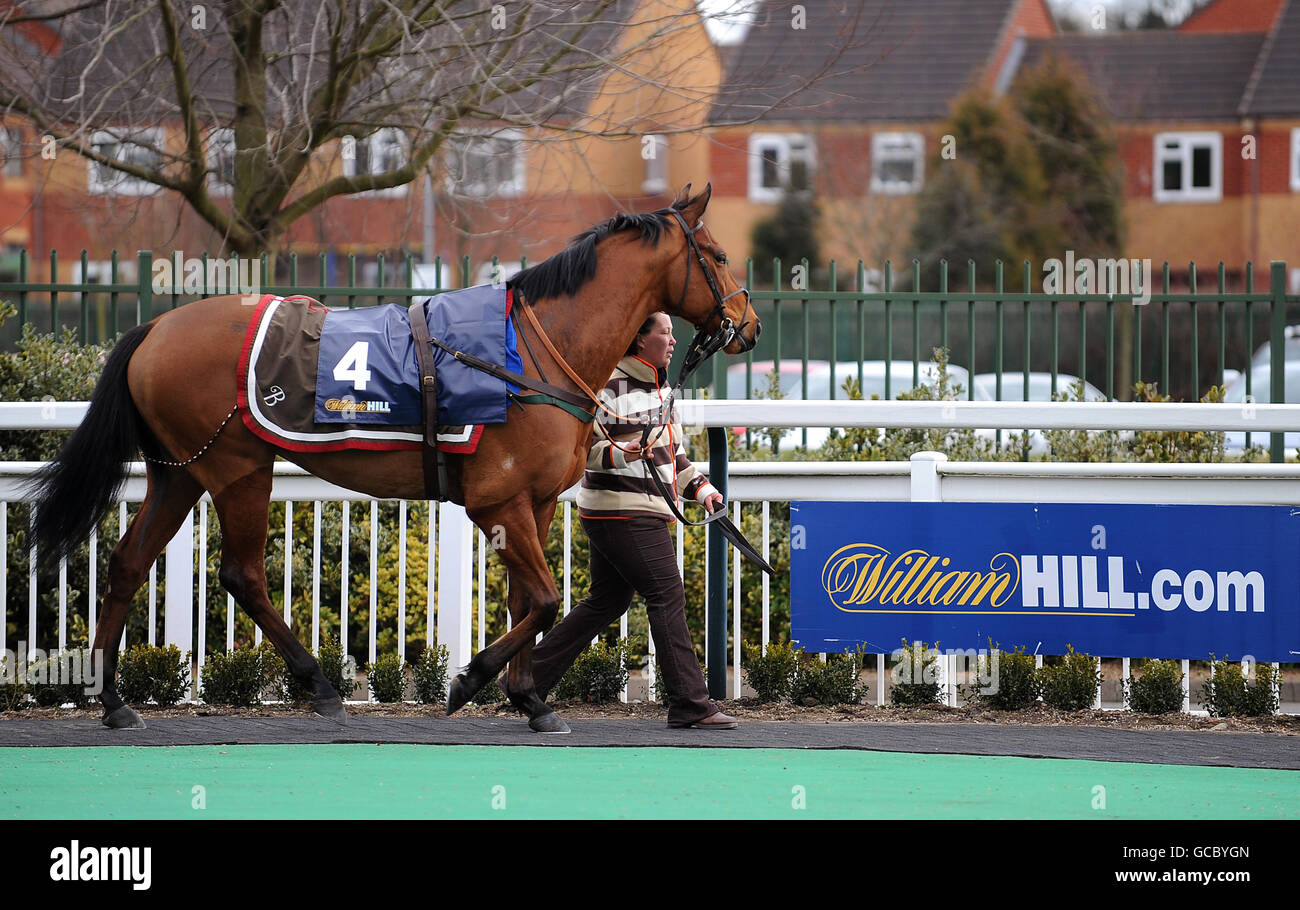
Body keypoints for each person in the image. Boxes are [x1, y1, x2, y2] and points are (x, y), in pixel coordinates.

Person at [524, 311, 738, 729]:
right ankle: (690, 704)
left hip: (628, 513)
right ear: (640, 341)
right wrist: (625, 453)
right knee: (667, 594)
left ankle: (527, 679)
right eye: (666, 333)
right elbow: (580, 453)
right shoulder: (605, 387)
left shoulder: (663, 392)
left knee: (607, 601)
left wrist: (703, 489)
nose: (674, 341)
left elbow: (671, 459)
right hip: (621, 513)